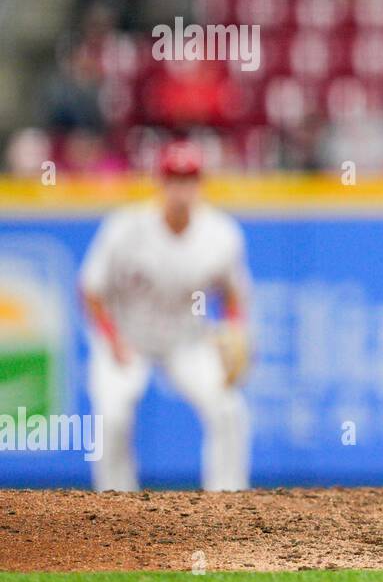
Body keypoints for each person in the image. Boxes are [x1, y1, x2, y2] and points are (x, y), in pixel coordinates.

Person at [79, 140, 253, 491]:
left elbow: (233, 293)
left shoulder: (221, 233)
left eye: (190, 179)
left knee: (228, 408)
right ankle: (115, 504)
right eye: (175, 178)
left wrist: (235, 330)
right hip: (127, 336)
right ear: (161, 183)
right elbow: (91, 289)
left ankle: (230, 502)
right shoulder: (126, 228)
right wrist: (112, 341)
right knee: (112, 416)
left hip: (186, 341)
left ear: (201, 184)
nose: (182, 188)